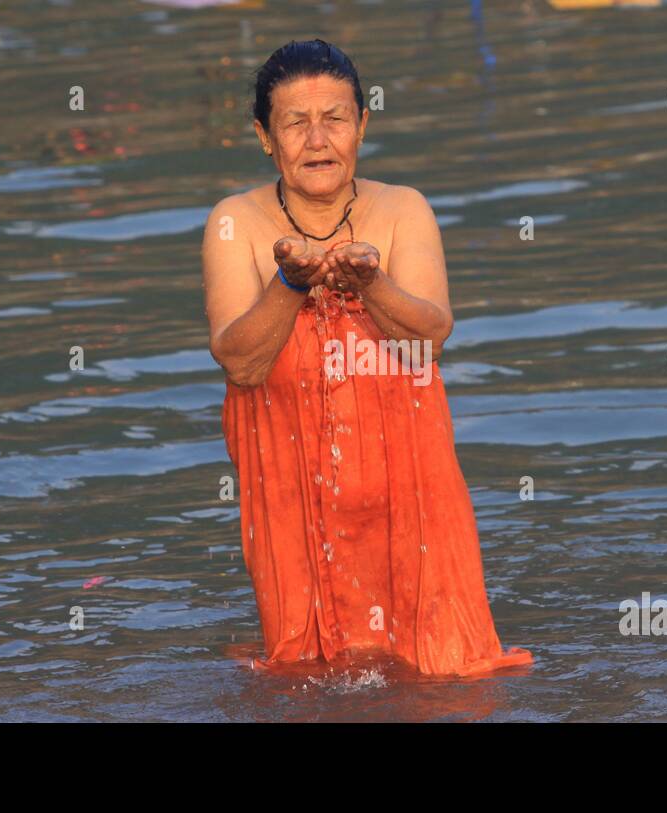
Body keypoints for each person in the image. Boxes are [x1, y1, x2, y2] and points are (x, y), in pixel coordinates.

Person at [202, 38, 533, 678]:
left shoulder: (402, 209)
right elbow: (240, 363)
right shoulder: (234, 223)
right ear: (265, 137)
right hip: (288, 485)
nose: (317, 139)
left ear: (363, 124)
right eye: (295, 122)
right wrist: (290, 284)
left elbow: (430, 339)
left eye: (336, 119)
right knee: (302, 674)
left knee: (439, 673)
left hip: (410, 481)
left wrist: (370, 284)